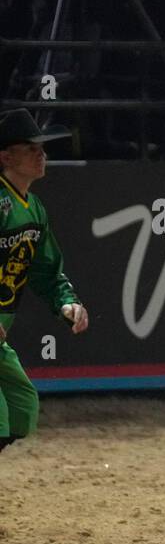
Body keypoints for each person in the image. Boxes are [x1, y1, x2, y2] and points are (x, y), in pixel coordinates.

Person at [0, 109, 88, 456]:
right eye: (31, 147)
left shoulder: (33, 208)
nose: (42, 154)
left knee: (22, 409)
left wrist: (65, 302)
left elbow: (47, 271)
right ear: (6, 157)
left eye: (42, 147)